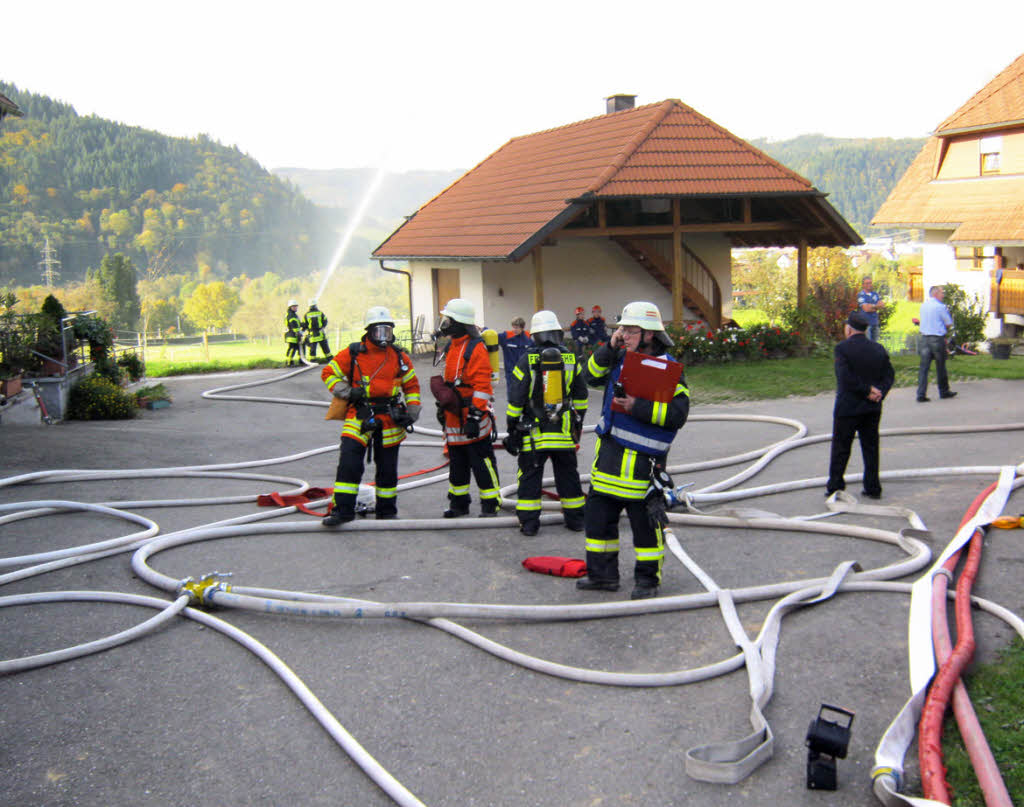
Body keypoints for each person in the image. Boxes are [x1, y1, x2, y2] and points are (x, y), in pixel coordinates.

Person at [576, 301, 690, 600]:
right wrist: (608, 347)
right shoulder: (619, 357)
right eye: (622, 329)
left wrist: (638, 407)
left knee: (645, 528)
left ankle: (647, 581)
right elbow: (588, 377)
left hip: (643, 466)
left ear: (649, 334)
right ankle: (602, 576)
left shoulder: (667, 368)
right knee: (597, 520)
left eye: (630, 330)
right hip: (608, 462)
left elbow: (678, 414)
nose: (623, 334)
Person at [321, 306, 421, 525]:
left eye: (387, 331)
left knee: (387, 468)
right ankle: (343, 510)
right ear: (369, 332)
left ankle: (387, 511)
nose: (384, 336)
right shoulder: (354, 352)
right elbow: (329, 373)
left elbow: (412, 385)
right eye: (379, 331)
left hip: (390, 418)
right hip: (360, 413)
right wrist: (347, 391)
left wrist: (412, 411)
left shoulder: (399, 356)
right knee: (349, 462)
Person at [505, 310, 588, 536]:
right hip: (563, 433)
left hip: (534, 434)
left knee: (530, 478)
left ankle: (530, 524)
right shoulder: (571, 359)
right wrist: (577, 424)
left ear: (535, 335)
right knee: (568, 477)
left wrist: (511, 426)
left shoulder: (527, 360)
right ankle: (576, 521)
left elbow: (516, 397)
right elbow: (581, 397)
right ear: (558, 333)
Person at [434, 298, 502, 518]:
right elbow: (451, 380)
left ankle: (490, 504)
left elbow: (482, 386)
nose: (445, 324)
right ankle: (459, 504)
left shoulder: (475, 347)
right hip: (453, 416)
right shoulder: (453, 346)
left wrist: (474, 416)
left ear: (459, 322)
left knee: (481, 462)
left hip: (472, 415)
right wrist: (442, 404)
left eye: (448, 320)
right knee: (457, 464)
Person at [825, 312, 895, 500]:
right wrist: (879, 392)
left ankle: (835, 486)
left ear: (848, 328)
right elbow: (889, 375)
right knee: (871, 447)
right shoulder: (878, 348)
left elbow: (845, 378)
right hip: (872, 407)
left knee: (841, 447)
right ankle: (873, 487)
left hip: (848, 407)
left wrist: (866, 390)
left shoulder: (842, 349)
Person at [917, 285, 957, 402]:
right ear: (935, 294)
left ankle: (921, 393)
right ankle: (944, 391)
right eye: (941, 293)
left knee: (924, 367)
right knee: (940, 366)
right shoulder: (940, 307)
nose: (943, 295)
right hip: (937, 338)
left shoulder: (923, 305)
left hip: (925, 338)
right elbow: (948, 323)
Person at [496, 317, 531, 388]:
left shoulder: (528, 337)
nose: (514, 330)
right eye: (514, 327)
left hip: (524, 373)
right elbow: (492, 336)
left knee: (524, 395)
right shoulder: (506, 336)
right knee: (512, 394)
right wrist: (483, 330)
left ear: (522, 328)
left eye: (517, 328)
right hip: (511, 374)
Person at [856, 276, 886, 342]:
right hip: (866, 324)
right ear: (863, 285)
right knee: (867, 344)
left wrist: (872, 306)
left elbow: (882, 305)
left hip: (875, 322)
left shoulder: (875, 294)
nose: (869, 285)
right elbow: (866, 309)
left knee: (875, 345)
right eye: (867, 283)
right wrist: (876, 307)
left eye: (870, 283)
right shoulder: (861, 295)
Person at [284, 299, 302, 366]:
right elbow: (293, 325)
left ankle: (300, 361)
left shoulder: (293, 315)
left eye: (296, 306)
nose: (295, 308)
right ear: (290, 307)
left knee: (296, 348)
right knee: (292, 348)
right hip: (292, 335)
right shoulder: (291, 315)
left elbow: (298, 324)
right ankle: (289, 362)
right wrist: (298, 333)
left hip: (293, 334)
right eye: (294, 306)